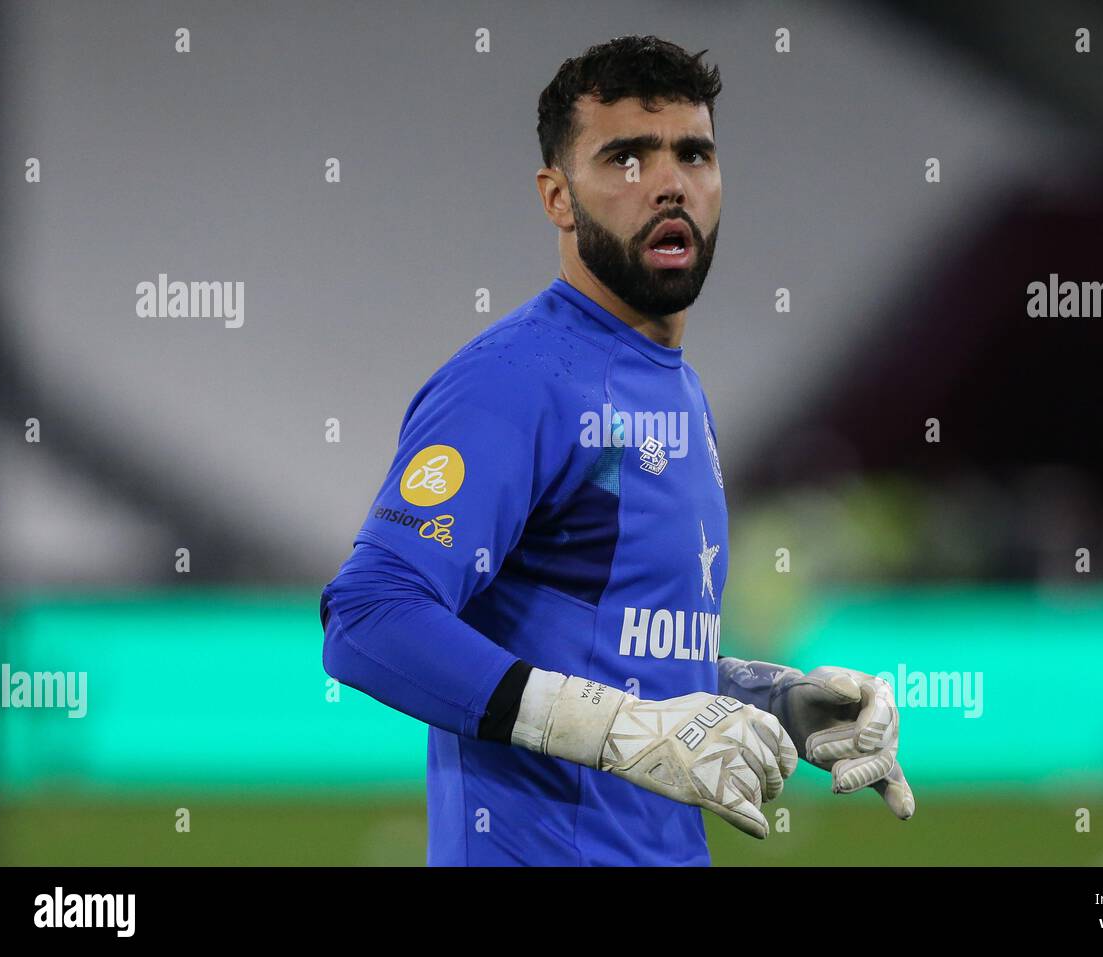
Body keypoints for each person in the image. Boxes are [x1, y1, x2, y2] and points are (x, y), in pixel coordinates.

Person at [321, 34, 913, 867]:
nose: (669, 183)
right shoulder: (514, 381)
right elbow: (368, 615)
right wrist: (626, 729)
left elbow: (617, 656)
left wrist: (772, 697)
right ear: (557, 197)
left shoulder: (677, 386)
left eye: (693, 154)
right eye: (627, 158)